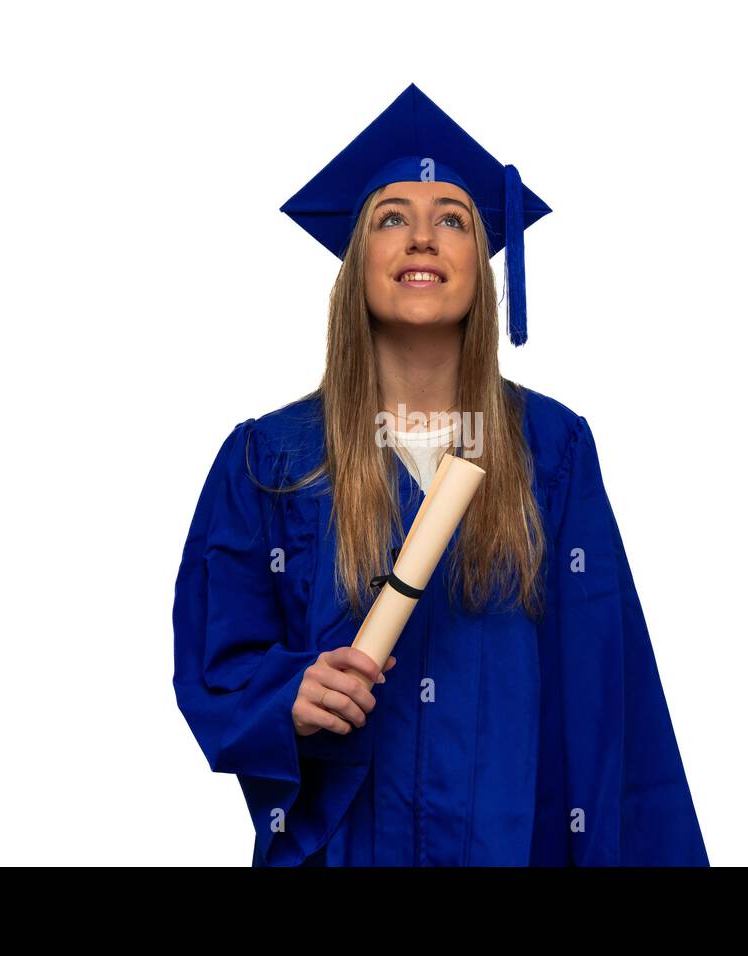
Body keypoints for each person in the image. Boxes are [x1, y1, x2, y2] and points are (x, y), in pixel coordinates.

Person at [172, 83, 709, 866]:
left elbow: (606, 690)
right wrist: (288, 696)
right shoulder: (272, 460)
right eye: (392, 217)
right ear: (357, 262)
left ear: (481, 263)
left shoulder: (550, 451)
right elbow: (217, 664)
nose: (422, 237)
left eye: (452, 219)